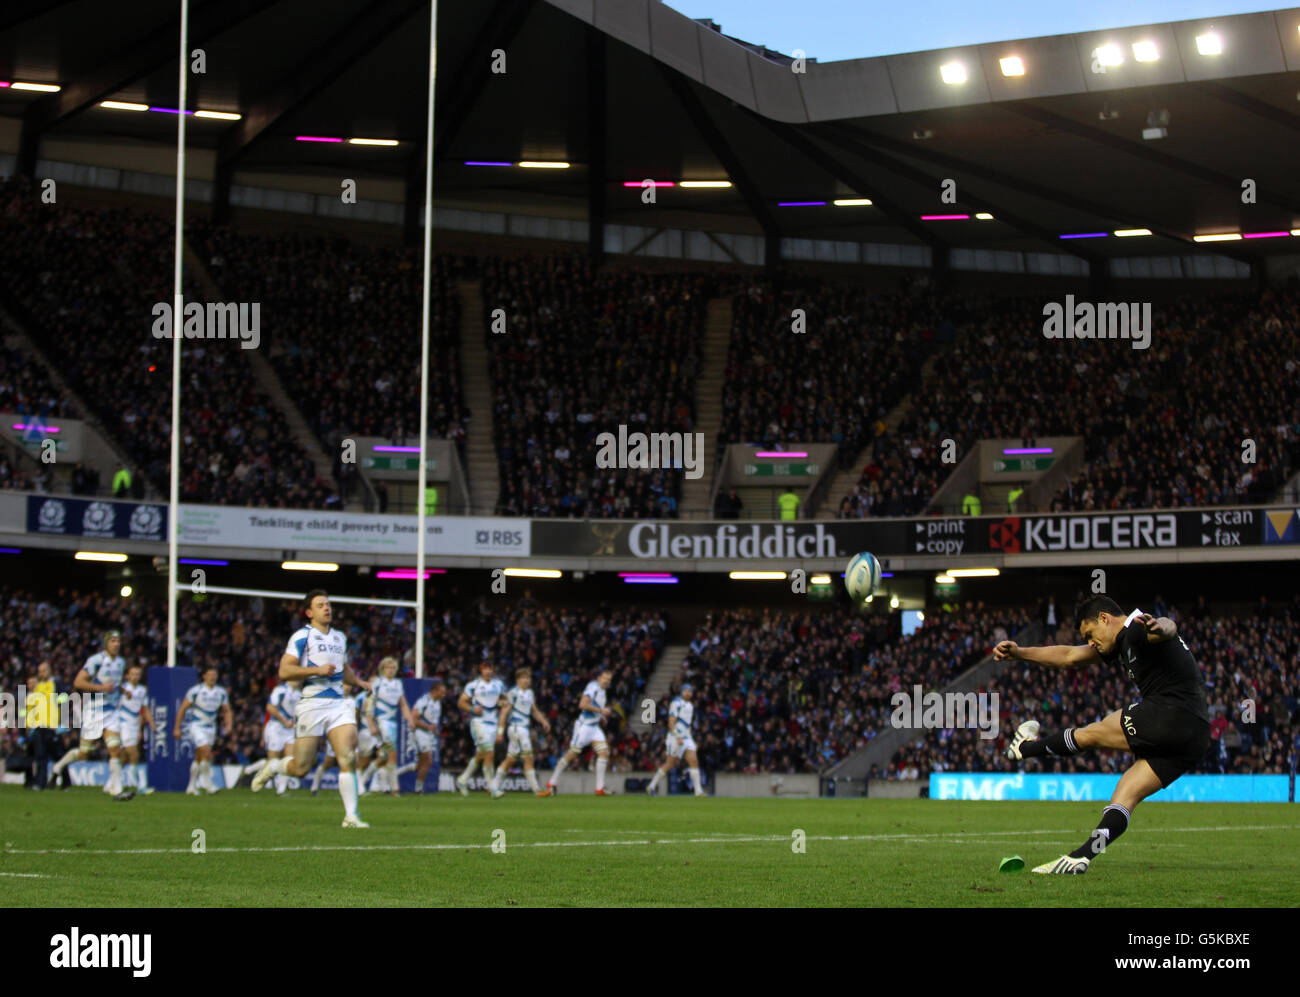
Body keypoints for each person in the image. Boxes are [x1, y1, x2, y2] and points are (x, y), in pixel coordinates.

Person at [995, 595, 1211, 874]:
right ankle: (1081, 858)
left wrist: (1162, 626)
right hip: (1194, 737)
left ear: (1104, 619)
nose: (1090, 642)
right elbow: (1070, 657)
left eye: (1090, 634)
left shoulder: (1138, 629)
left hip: (1172, 715)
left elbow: (1168, 628)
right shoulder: (1121, 641)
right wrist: (1020, 653)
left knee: (1094, 732)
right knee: (1125, 796)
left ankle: (1024, 749)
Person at [252, 590, 373, 828]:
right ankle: (276, 766)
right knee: (300, 768)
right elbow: (285, 671)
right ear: (309, 613)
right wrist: (315, 671)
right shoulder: (302, 636)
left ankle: (351, 816)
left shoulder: (340, 637)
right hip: (312, 704)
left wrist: (357, 682)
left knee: (347, 756)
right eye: (320, 605)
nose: (326, 608)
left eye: (328, 604)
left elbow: (343, 667)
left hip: (338, 704)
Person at [51, 630, 125, 792]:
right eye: (113, 641)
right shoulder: (96, 660)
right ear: (106, 643)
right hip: (94, 711)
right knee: (85, 753)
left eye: (118, 641)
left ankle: (117, 790)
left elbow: (114, 683)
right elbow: (78, 682)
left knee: (115, 748)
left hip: (112, 711)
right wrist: (101, 688)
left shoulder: (121, 662)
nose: (116, 644)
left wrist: (123, 689)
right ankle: (58, 766)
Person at [545, 666, 615, 796]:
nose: (606, 681)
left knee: (604, 752)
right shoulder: (592, 687)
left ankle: (600, 788)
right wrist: (601, 711)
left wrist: (601, 716)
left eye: (609, 679)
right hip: (584, 727)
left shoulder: (602, 689)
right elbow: (582, 704)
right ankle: (552, 782)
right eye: (605, 678)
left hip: (594, 727)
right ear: (599, 678)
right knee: (572, 754)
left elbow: (595, 706)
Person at [489, 667, 552, 798]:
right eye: (523, 678)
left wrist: (544, 721)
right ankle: (537, 790)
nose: (526, 680)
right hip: (517, 729)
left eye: (528, 678)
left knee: (510, 759)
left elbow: (534, 710)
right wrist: (500, 732)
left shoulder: (529, 693)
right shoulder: (512, 693)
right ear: (517, 680)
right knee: (528, 758)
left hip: (523, 729)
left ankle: (494, 785)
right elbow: (504, 713)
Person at [174, 665, 232, 795]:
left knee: (199, 757)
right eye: (210, 674)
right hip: (197, 725)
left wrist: (229, 725)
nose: (212, 677)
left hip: (211, 727)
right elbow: (182, 709)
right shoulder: (196, 691)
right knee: (205, 751)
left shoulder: (221, 692)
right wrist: (177, 728)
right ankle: (208, 784)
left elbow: (227, 710)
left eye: (214, 675)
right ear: (204, 676)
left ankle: (191, 786)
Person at [455, 660, 508, 796]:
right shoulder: (473, 685)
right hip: (478, 723)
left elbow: (505, 701)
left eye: (490, 669)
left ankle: (462, 779)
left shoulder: (499, 684)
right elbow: (461, 702)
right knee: (489, 753)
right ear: (481, 670)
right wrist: (472, 708)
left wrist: (502, 702)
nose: (488, 671)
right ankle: (493, 788)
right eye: (486, 669)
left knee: (480, 756)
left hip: (493, 723)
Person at [645, 683, 707, 797]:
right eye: (686, 691)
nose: (688, 693)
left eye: (690, 691)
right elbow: (671, 722)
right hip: (675, 737)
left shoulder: (690, 705)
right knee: (670, 764)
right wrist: (677, 736)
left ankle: (698, 791)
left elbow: (688, 724)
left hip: (686, 737)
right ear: (682, 692)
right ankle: (651, 785)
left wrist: (690, 739)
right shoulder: (676, 703)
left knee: (694, 761)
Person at [366, 656, 414, 797]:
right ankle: (395, 789)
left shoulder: (398, 684)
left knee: (384, 756)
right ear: (383, 668)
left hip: (393, 722)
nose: (391, 670)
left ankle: (362, 781)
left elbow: (403, 704)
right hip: (382, 721)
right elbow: (369, 704)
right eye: (389, 667)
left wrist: (409, 719)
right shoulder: (377, 683)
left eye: (394, 668)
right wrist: (371, 724)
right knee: (393, 753)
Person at [114, 663, 155, 796]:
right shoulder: (124, 688)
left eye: (138, 674)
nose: (135, 676)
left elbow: (144, 709)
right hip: (122, 723)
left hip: (133, 725)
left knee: (125, 757)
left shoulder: (142, 690)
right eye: (133, 674)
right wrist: (124, 691)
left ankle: (111, 784)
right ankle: (137, 786)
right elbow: (114, 687)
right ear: (127, 676)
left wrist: (151, 723)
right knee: (134, 754)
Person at [23, 661, 59, 791]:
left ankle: (44, 782)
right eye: (40, 671)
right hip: (38, 727)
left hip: (50, 726)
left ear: (49, 671)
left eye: (43, 670)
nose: (41, 673)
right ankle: (36, 782)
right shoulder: (37, 689)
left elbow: (60, 702)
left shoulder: (55, 684)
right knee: (39, 755)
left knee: (52, 755)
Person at [410, 678, 446, 794]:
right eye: (442, 692)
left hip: (429, 735)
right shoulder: (423, 701)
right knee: (428, 761)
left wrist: (435, 733)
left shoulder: (438, 704)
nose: (443, 695)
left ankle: (399, 772)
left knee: (421, 763)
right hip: (420, 733)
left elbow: (433, 723)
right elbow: (413, 718)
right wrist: (427, 727)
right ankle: (418, 788)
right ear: (435, 691)